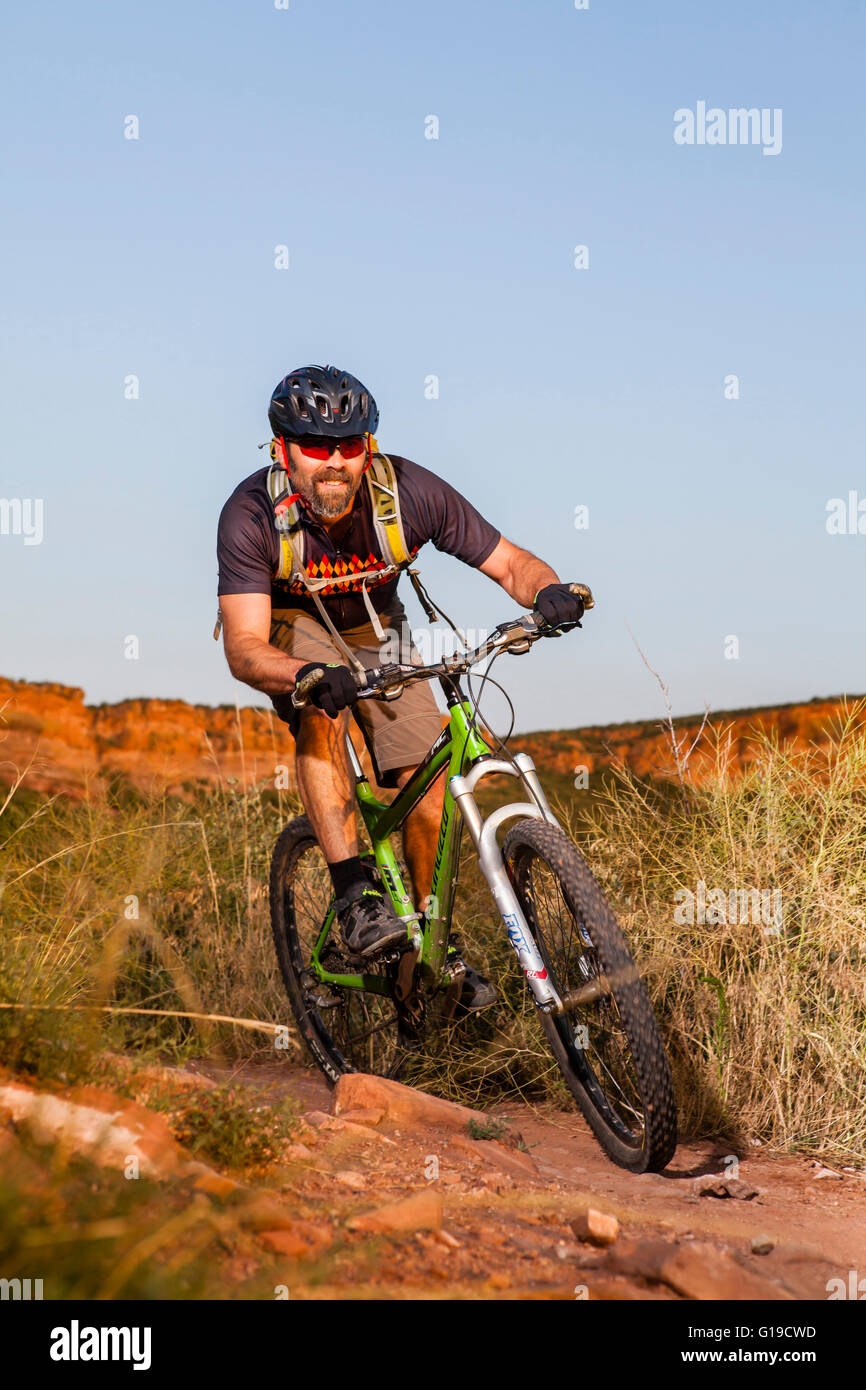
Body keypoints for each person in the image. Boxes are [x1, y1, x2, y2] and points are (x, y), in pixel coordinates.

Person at [216, 364, 589, 1012]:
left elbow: (510, 563)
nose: (334, 462)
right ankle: (355, 896)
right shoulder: (250, 515)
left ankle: (429, 945)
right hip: (292, 623)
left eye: (349, 445)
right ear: (283, 451)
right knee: (321, 715)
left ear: (370, 447)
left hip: (375, 627)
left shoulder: (407, 493)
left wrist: (548, 591)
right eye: (315, 446)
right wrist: (304, 676)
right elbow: (243, 646)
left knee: (429, 776)